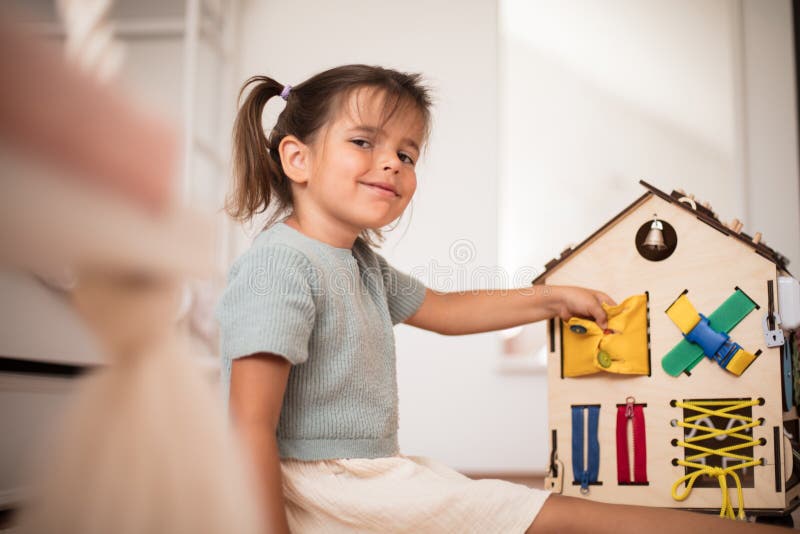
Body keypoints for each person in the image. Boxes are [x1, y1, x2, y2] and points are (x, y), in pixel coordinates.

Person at [216, 65, 788, 533]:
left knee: (526, 511)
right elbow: (248, 425)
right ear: (298, 159)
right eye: (364, 142)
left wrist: (550, 299)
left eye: (408, 154)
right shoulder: (281, 265)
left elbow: (443, 309)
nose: (392, 162)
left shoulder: (358, 263)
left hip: (361, 475)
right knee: (557, 517)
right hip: (320, 482)